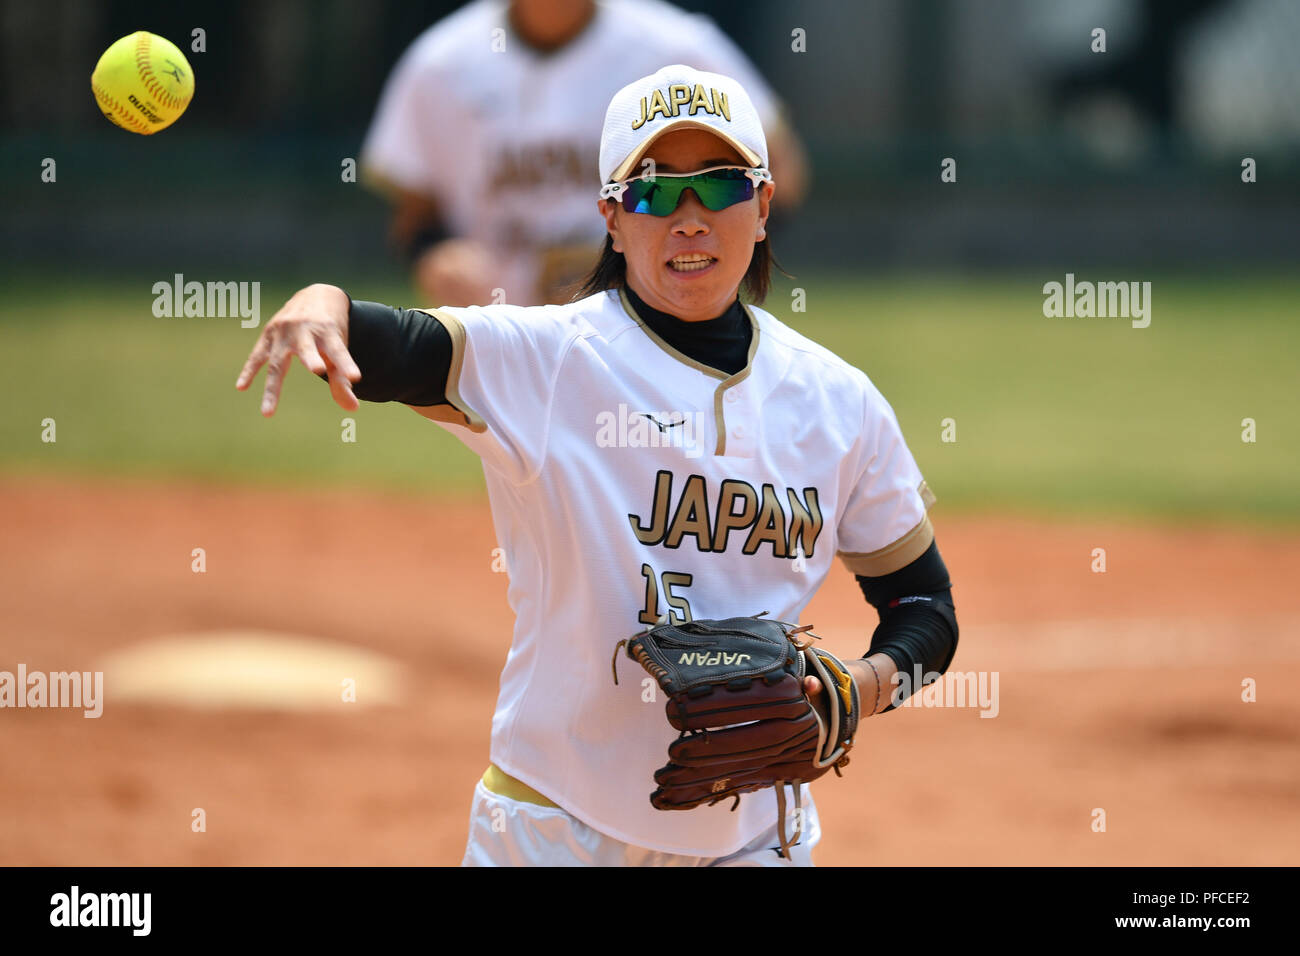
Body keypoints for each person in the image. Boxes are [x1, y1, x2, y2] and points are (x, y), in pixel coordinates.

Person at [237, 65, 957, 867]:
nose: (690, 220)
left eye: (718, 187)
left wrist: (862, 684)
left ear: (762, 206)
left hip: (756, 839)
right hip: (557, 831)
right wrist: (321, 300)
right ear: (612, 220)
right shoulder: (550, 360)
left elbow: (925, 607)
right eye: (653, 192)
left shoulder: (839, 403)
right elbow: (401, 343)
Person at [360, 0, 808, 308]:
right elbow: (414, 211)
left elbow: (781, 172)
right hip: (505, 329)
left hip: (651, 320)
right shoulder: (440, 63)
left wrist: (716, 264)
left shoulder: (674, 45)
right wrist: (434, 254)